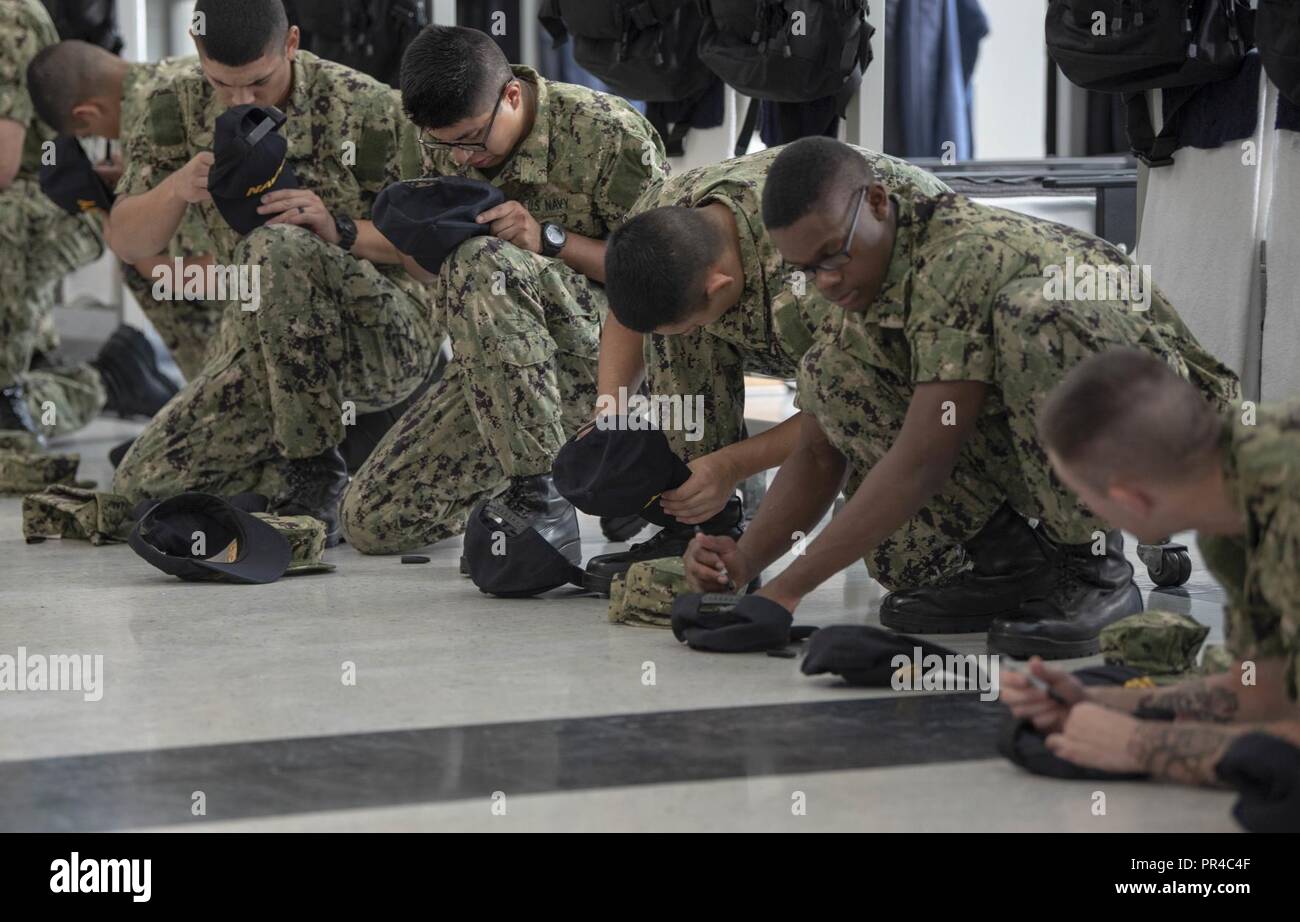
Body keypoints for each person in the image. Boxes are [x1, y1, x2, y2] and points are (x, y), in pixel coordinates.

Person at [683, 136, 1240, 659]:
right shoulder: (865, 280)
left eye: (832, 255)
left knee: (1032, 318)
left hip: (1169, 420)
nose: (825, 280)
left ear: (878, 202)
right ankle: (1015, 568)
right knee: (833, 375)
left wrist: (786, 592)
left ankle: (1097, 571)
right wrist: (745, 564)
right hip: (1059, 437)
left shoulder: (959, 255)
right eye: (806, 269)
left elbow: (925, 457)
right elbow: (817, 448)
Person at [108, 0, 441, 544]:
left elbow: (432, 257)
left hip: (381, 340)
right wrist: (175, 189)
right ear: (198, 52)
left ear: (290, 43)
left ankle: (314, 469)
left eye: (259, 82)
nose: (242, 100)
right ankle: (277, 470)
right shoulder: (173, 105)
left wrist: (340, 229)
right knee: (139, 490)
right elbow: (126, 240)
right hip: (262, 348)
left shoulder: (367, 109)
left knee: (276, 244)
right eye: (223, 83)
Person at [339, 25, 669, 557]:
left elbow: (663, 278)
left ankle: (543, 494)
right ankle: (549, 474)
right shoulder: (444, 141)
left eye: (471, 139)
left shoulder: (607, 133)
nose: (461, 158)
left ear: (512, 95)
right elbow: (429, 274)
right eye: (443, 145)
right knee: (372, 521)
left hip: (608, 358)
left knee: (483, 260)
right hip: (500, 367)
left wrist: (550, 240)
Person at [591, 142, 949, 593]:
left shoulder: (826, 268)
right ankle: (703, 522)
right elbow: (630, 313)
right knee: (672, 334)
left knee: (914, 567)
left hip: (912, 358)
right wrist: (612, 414)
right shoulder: (661, 217)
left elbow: (844, 408)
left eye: (697, 319)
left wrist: (730, 466)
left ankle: (1012, 552)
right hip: (770, 311)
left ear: (719, 286)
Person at [1000, 348, 1299, 783]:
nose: (1085, 509)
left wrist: (1140, 745)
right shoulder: (1230, 508)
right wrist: (1096, 702)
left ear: (1130, 500)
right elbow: (1262, 695)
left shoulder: (1287, 506)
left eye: (1084, 497)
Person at [0, 0, 171, 446]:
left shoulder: (8, 18)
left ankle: (103, 380)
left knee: (4, 423)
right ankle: (35, 365)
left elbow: (4, 162)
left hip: (49, 203)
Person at [27, 40, 223, 380]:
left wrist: (136, 253)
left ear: (86, 113)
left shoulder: (147, 125)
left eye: (90, 133)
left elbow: (211, 275)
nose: (107, 145)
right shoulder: (180, 71)